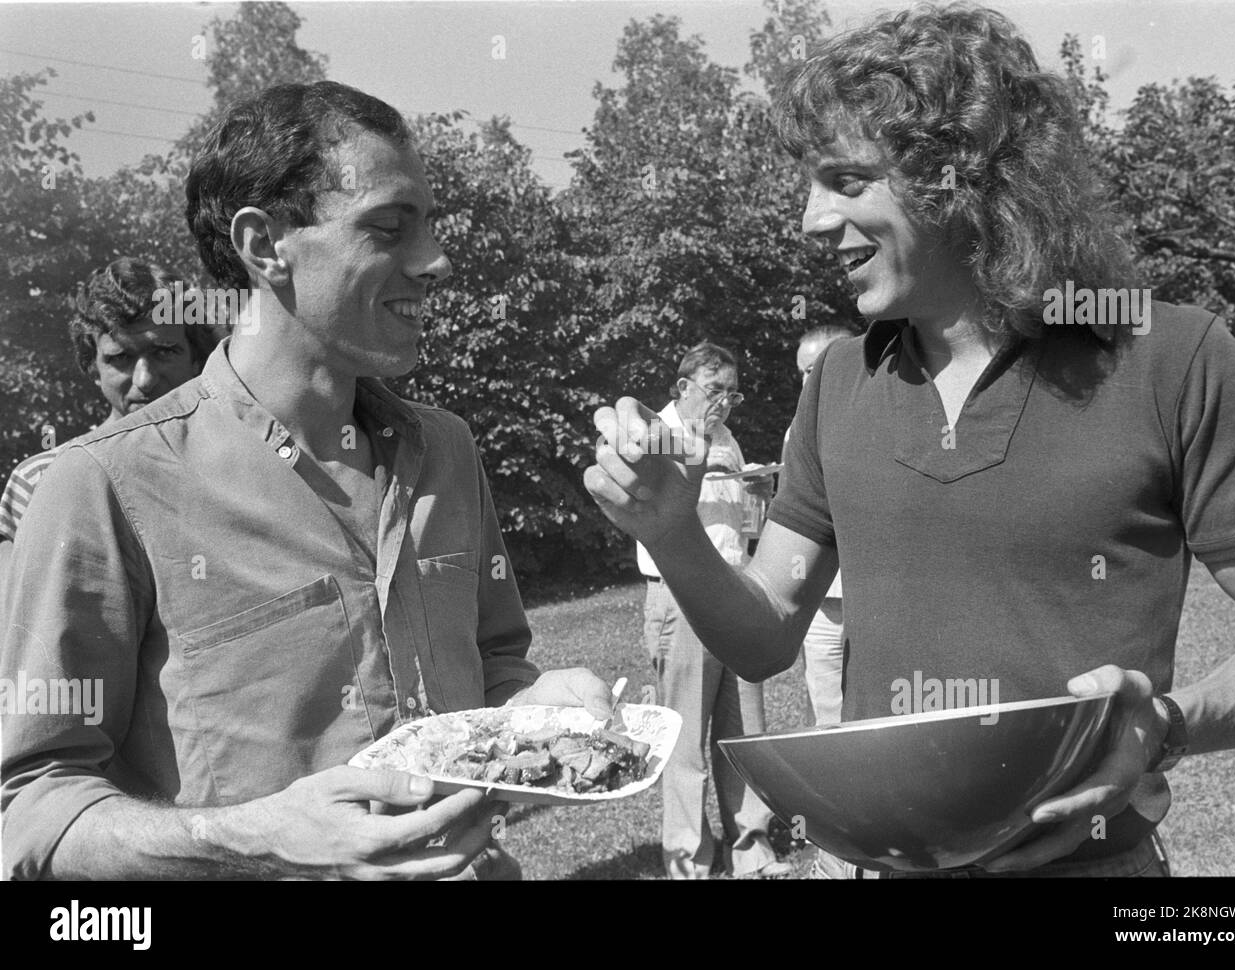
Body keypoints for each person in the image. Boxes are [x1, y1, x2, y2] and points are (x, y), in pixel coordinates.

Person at [585, 3, 1235, 878]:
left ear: (960, 177)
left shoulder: (1170, 355)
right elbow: (767, 632)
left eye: (847, 180)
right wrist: (672, 531)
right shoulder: (841, 380)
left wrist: (1169, 725)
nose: (811, 219)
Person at [1, 80, 611, 881]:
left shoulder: (448, 451)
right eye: (390, 228)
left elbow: (494, 668)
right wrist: (254, 836)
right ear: (264, 245)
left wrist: (531, 708)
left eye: (430, 227)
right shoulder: (102, 487)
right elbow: (31, 810)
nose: (436, 261)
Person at [637, 342, 790, 878]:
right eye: (714, 390)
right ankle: (689, 862)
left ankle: (751, 848)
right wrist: (702, 461)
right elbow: (652, 506)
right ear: (682, 388)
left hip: (734, 591)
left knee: (741, 731)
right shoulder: (654, 433)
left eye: (732, 393)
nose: (724, 403)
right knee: (684, 736)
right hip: (679, 597)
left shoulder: (726, 437)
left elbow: (740, 526)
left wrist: (759, 490)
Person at [0, 258, 220, 556]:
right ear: (92, 366)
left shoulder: (230, 468)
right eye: (121, 357)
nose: (145, 380)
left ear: (195, 359)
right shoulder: (40, 480)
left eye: (164, 352)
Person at [788, 325, 854, 727]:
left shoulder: (881, 424)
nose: (808, 382)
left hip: (872, 600)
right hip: (821, 604)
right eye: (802, 372)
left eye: (817, 369)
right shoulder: (795, 432)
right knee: (828, 719)